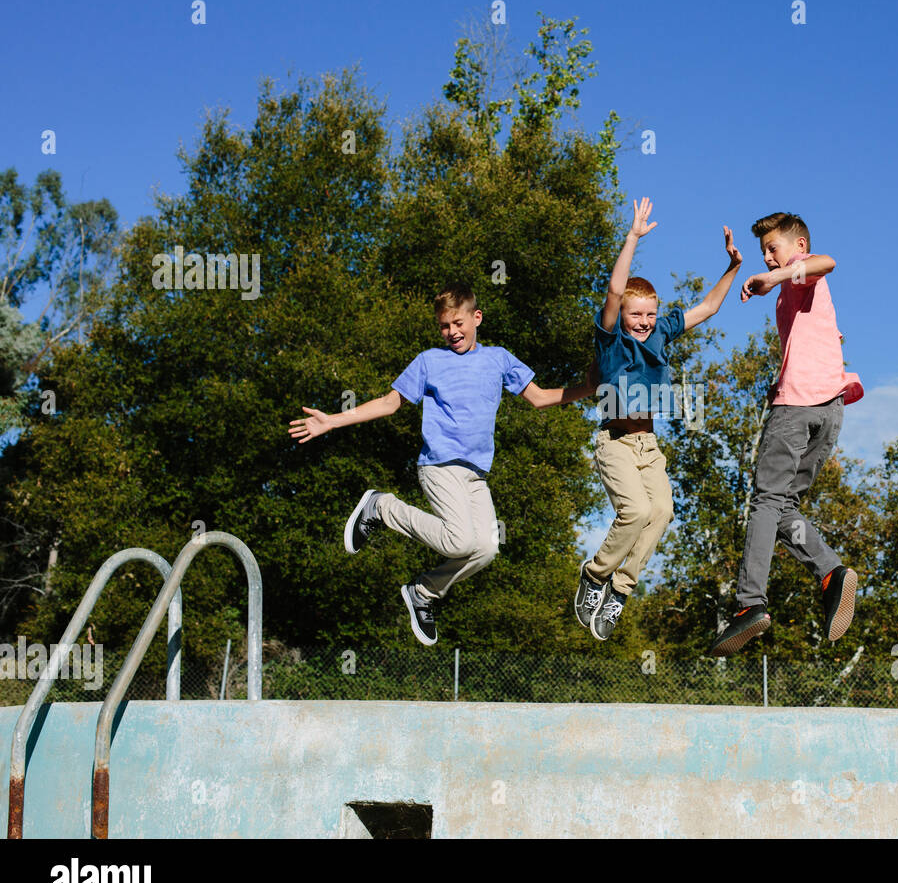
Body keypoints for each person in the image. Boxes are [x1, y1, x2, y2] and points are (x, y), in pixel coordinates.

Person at [288, 285, 594, 646]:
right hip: (439, 465)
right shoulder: (429, 361)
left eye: (458, 323)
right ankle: (381, 507)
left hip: (476, 474)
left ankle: (424, 592)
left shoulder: (499, 359)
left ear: (476, 318)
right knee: (458, 540)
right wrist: (333, 421)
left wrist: (588, 388)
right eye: (444, 326)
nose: (452, 332)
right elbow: (389, 404)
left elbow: (541, 398)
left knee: (486, 548)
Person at [576, 197, 742, 640]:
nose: (645, 321)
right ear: (623, 316)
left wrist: (732, 268)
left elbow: (707, 309)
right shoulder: (610, 339)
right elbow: (613, 292)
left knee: (662, 511)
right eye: (637, 315)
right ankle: (594, 576)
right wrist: (632, 238)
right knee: (635, 512)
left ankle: (619, 590)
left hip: (648, 446)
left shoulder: (663, 331)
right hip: (614, 441)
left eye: (650, 314)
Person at [709, 212, 864, 657]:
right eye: (764, 252)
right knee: (782, 508)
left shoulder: (803, 274)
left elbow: (828, 262)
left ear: (799, 246)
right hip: (830, 412)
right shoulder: (797, 294)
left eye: (773, 248)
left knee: (764, 501)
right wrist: (758, 275)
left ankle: (748, 604)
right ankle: (832, 573)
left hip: (797, 407)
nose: (768, 256)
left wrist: (774, 275)